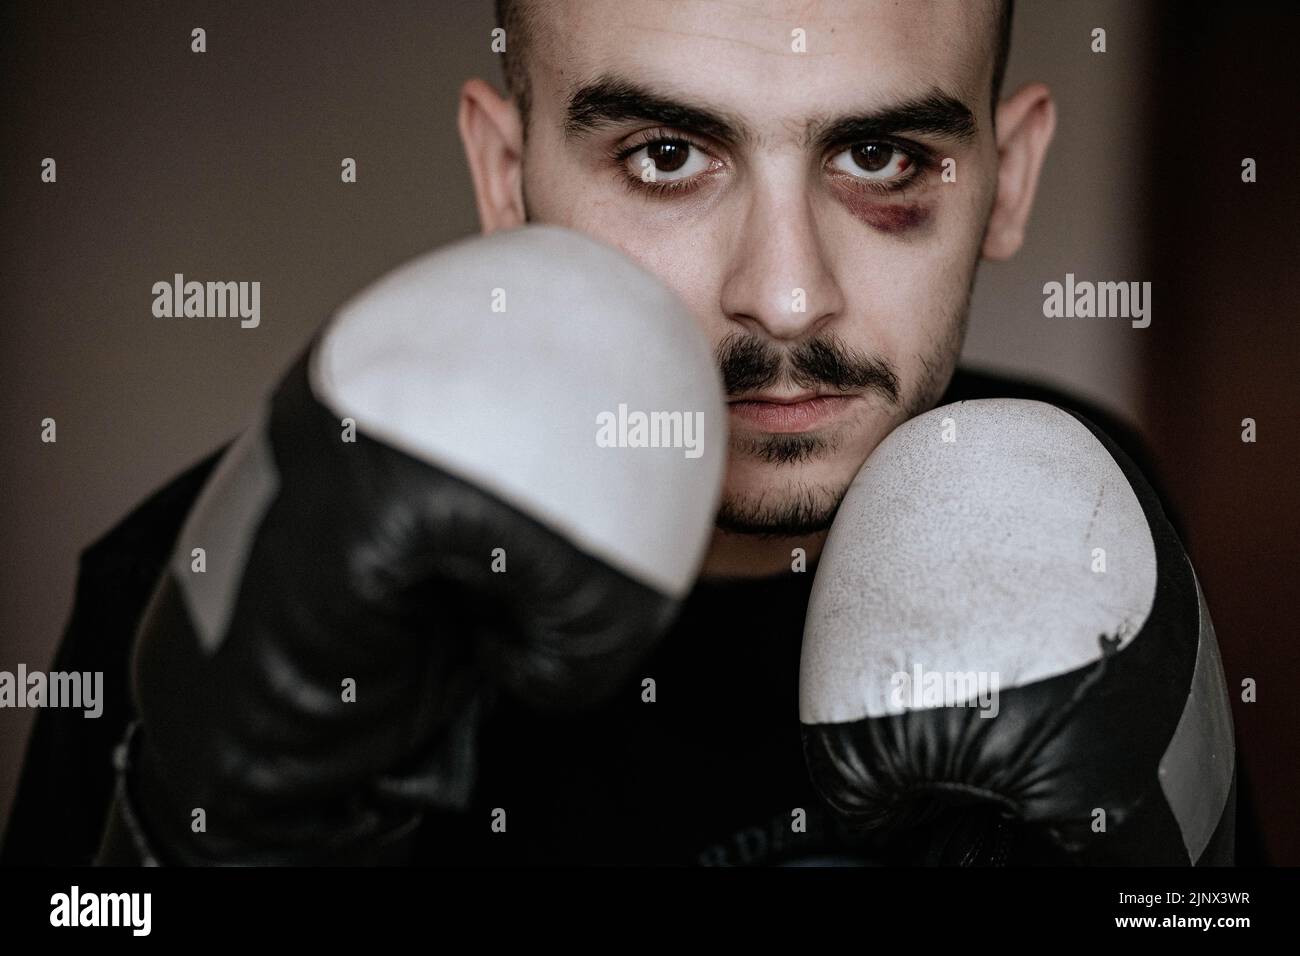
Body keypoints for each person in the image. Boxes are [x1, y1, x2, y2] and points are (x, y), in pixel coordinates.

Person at [2, 0, 1259, 866]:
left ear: (1010, 176)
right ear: (507, 177)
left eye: (880, 154)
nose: (782, 292)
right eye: (666, 154)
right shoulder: (201, 575)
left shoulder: (1084, 515)